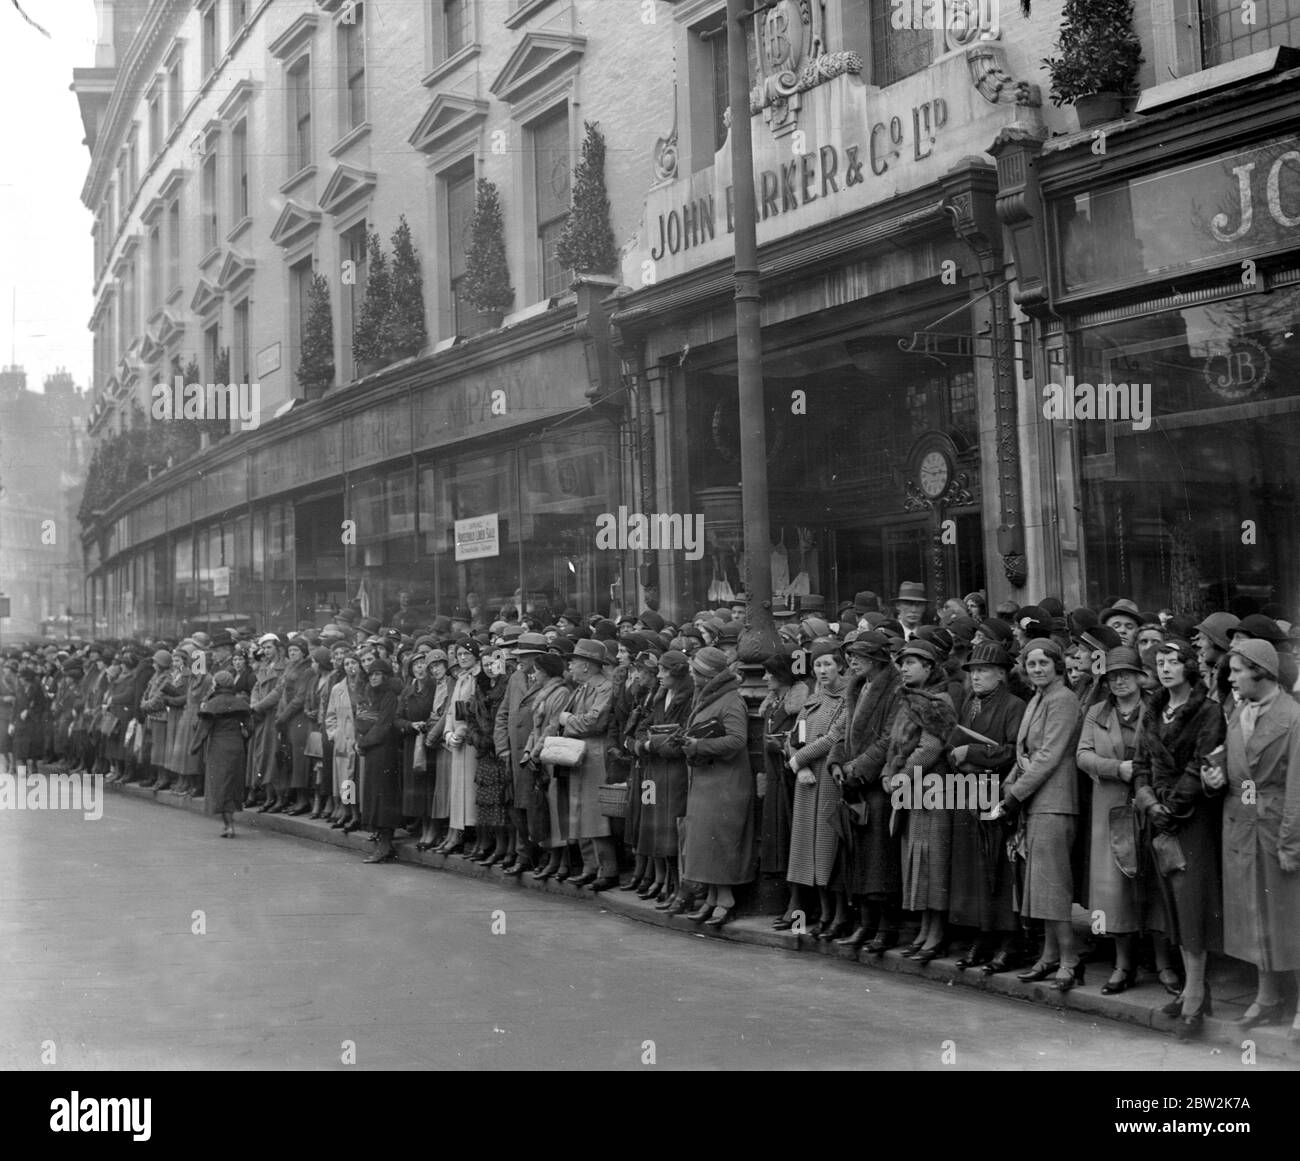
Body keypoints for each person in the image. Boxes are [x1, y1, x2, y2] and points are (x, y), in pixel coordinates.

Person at [1131, 638, 1226, 1039]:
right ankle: (1194, 989)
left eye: (1174, 662)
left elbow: (1200, 764)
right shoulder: (1152, 711)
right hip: (1160, 818)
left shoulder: (1208, 711)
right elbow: (1140, 765)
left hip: (1190, 820)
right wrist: (1149, 802)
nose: (1166, 668)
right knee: (1171, 905)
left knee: (1192, 906)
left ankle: (1194, 1003)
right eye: (1161, 662)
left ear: (1189, 667)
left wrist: (1171, 808)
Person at [1209, 640, 1300, 1045]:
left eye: (1236, 670)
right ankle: (1267, 996)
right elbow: (1233, 767)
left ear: (1261, 671)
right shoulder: (1239, 712)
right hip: (1242, 827)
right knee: (1256, 915)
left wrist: (1291, 843)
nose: (1229, 677)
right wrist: (1214, 778)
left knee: (1290, 919)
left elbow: (1298, 787)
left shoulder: (1294, 717)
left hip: (1278, 828)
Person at [1077, 646, 1171, 996]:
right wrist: (1116, 769)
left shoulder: (1157, 709)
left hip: (1151, 805)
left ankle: (1164, 966)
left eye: (1125, 674)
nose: (1119, 681)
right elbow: (1082, 755)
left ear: (1139, 677)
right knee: (1114, 891)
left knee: (1156, 885)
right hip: (1111, 807)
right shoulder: (1096, 712)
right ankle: (1123, 965)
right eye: (1113, 676)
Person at [999, 638, 1084, 991]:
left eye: (1044, 664)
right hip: (1038, 799)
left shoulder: (1063, 700)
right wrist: (1010, 784)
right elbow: (1025, 753)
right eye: (1031, 664)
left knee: (1052, 885)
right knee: (1041, 885)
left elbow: (1049, 755)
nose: (1037, 670)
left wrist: (1014, 795)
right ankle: (1049, 956)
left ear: (1057, 665)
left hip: (1055, 800)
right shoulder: (1039, 697)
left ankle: (1070, 960)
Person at [947, 642, 1026, 971]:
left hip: (997, 794)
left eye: (983, 671)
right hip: (968, 791)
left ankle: (1011, 940)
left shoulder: (1014, 706)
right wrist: (958, 757)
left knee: (999, 869)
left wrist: (971, 754)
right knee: (975, 870)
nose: (976, 676)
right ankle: (984, 934)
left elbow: (1012, 752)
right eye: (973, 671)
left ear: (1002, 675)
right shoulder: (969, 704)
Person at [825, 632, 904, 949]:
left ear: (875, 658)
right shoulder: (858, 687)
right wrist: (836, 763)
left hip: (878, 785)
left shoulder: (895, 689)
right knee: (860, 858)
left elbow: (890, 738)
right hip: (854, 785)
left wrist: (856, 768)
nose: (851, 661)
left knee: (880, 860)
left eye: (858, 656)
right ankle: (866, 923)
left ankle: (886, 928)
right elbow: (844, 731)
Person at [882, 641, 958, 962]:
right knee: (916, 857)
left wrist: (901, 775)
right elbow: (894, 744)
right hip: (911, 789)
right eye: (903, 662)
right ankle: (925, 928)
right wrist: (888, 772)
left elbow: (930, 747)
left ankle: (937, 933)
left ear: (929, 668)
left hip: (933, 788)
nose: (906, 667)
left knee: (932, 859)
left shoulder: (938, 701)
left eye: (913, 662)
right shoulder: (907, 700)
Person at [679, 647, 754, 928]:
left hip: (725, 781)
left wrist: (700, 745)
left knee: (718, 839)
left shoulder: (731, 701)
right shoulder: (711, 696)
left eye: (696, 672)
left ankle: (725, 899)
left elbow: (737, 740)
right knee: (705, 839)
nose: (691, 675)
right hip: (709, 779)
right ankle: (712, 897)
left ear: (708, 675)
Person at [785, 641, 851, 938]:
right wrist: (800, 766)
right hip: (808, 781)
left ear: (841, 666)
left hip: (829, 780)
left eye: (828, 664)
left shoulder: (848, 699)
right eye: (817, 665)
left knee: (828, 847)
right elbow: (794, 737)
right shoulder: (813, 699)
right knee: (807, 848)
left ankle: (839, 914)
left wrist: (799, 759)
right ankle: (823, 911)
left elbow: (833, 737)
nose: (822, 671)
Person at [632, 649, 693, 907]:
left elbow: (677, 739)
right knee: (657, 828)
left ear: (676, 673)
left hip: (674, 772)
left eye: (664, 671)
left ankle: (679, 887)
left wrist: (649, 743)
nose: (659, 675)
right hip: (655, 771)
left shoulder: (687, 699)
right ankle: (667, 882)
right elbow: (643, 729)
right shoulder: (660, 696)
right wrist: (646, 744)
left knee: (672, 828)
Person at [558, 639, 620, 890]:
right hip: (582, 753)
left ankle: (608, 869)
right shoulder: (582, 688)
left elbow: (596, 721)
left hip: (595, 754)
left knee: (595, 814)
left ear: (586, 665)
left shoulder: (604, 687)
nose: (570, 666)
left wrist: (568, 719)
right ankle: (590, 866)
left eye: (573, 661)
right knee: (581, 812)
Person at [495, 633, 549, 875]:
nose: (521, 661)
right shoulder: (516, 677)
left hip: (537, 752)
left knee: (537, 806)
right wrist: (502, 747)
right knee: (516, 806)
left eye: (525, 657)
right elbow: (503, 713)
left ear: (538, 658)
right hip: (514, 753)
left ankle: (541, 854)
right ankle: (523, 854)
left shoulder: (551, 680)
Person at [758, 654, 808, 906]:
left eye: (770, 674)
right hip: (775, 780)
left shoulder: (799, 707)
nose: (765, 678)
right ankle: (789, 900)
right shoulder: (774, 704)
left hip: (789, 782)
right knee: (779, 840)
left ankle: (797, 903)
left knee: (791, 840)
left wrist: (781, 746)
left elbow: (803, 742)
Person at [525, 652, 575, 880]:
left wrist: (536, 752)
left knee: (556, 810)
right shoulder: (544, 693)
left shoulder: (561, 693)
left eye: (535, 670)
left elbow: (552, 726)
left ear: (545, 673)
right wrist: (529, 751)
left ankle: (561, 860)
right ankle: (552, 857)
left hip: (552, 756)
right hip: (540, 756)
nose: (532, 674)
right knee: (544, 809)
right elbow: (535, 729)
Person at [193, 670, 250, 838]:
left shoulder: (212, 704)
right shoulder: (241, 703)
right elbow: (250, 727)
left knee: (220, 786)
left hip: (218, 747)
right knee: (233, 785)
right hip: (236, 746)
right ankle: (230, 824)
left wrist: (194, 747)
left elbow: (203, 729)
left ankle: (228, 826)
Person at [356, 657, 402, 862]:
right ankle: (381, 841)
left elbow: (382, 725)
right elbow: (362, 719)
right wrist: (362, 738)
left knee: (383, 796)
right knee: (374, 793)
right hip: (373, 749)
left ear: (385, 675)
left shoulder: (389, 695)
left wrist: (363, 742)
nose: (373, 678)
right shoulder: (371, 694)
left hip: (385, 751)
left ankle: (385, 844)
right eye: (371, 674)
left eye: (377, 674)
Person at [326, 652, 364, 833]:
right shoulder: (337, 689)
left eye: (354, 663)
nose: (350, 667)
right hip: (343, 740)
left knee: (357, 778)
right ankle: (347, 811)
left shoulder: (365, 687)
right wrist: (334, 734)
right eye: (347, 664)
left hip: (360, 738)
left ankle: (358, 814)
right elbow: (330, 715)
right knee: (345, 780)